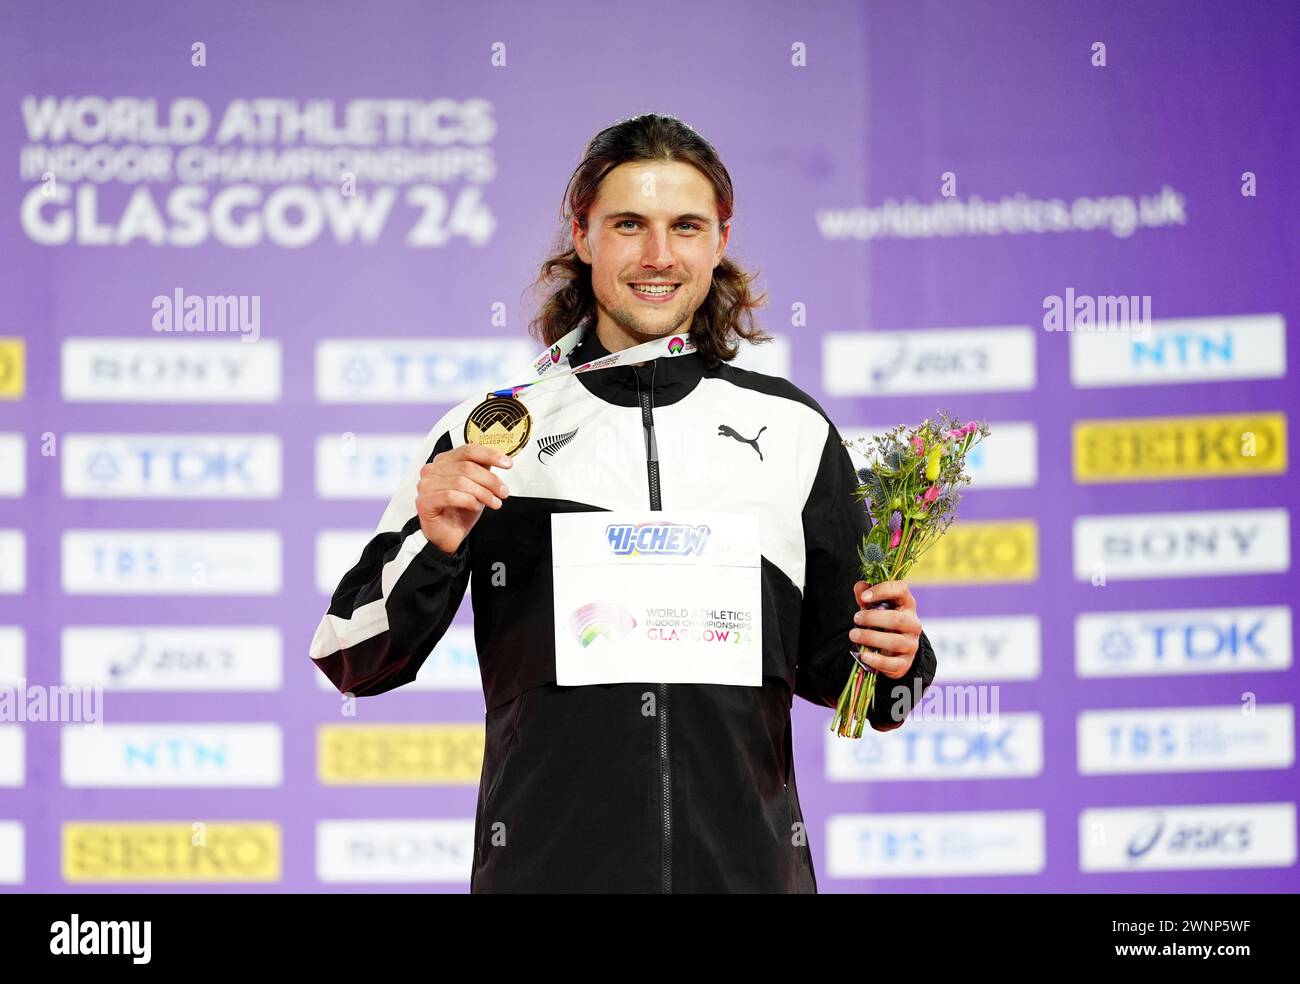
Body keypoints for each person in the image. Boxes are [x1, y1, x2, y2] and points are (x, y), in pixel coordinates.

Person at [310, 113, 937, 892]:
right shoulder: (489, 435)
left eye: (686, 226)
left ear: (719, 238)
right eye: (629, 224)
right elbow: (353, 658)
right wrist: (433, 545)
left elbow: (859, 684)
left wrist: (901, 659)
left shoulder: (795, 430)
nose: (658, 255)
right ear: (582, 235)